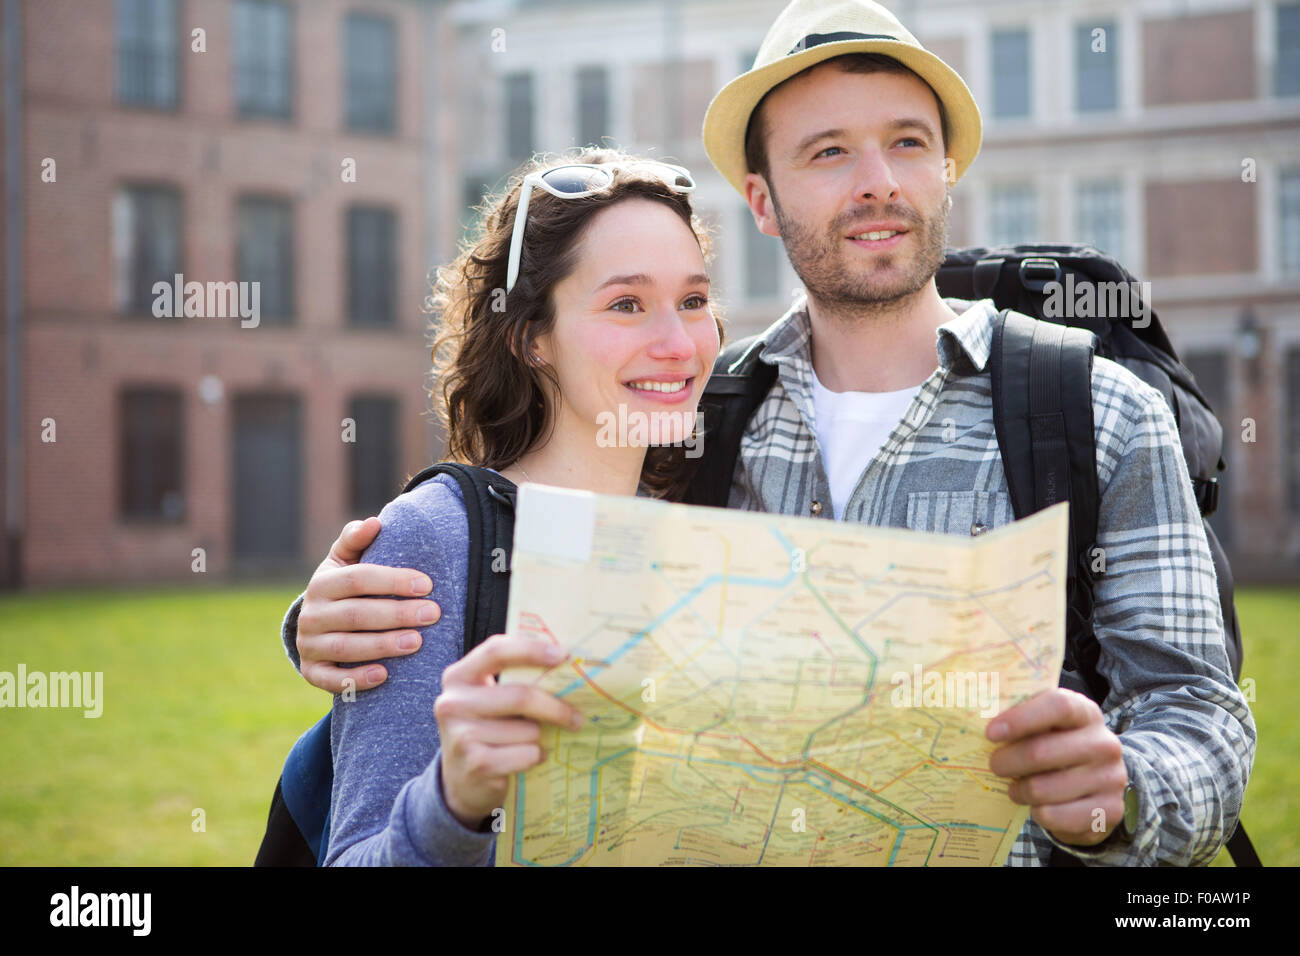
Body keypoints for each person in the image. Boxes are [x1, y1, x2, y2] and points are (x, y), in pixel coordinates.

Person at [282, 0, 1254, 866]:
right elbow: (523, 526)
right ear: (762, 200)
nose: (876, 182)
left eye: (908, 143)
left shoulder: (1093, 410)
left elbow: (1201, 721)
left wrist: (1117, 798)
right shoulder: (707, 424)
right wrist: (337, 617)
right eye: (827, 151)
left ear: (946, 166)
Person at [313, 147, 722, 865]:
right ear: (532, 337)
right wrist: (452, 803)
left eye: (692, 301)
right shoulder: (434, 538)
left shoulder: (705, 530)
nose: (678, 343)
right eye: (626, 304)